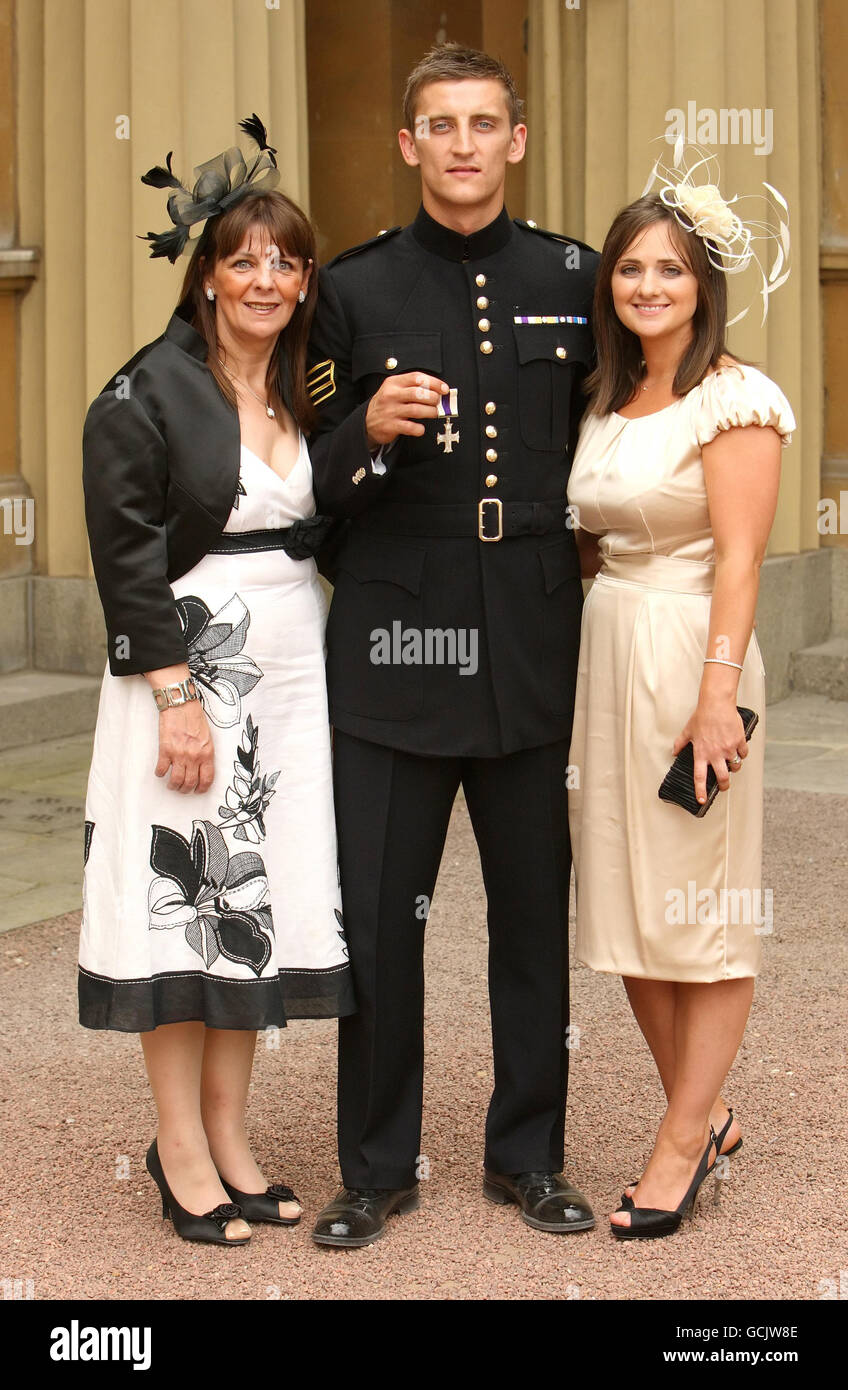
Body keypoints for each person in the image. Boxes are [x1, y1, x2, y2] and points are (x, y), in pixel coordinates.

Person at [305, 43, 598, 1247]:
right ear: (408, 143)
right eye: (441, 124)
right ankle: (374, 1165)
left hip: (528, 634)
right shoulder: (352, 289)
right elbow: (304, 486)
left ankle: (526, 1155)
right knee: (382, 918)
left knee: (532, 916)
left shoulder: (574, 276)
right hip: (391, 642)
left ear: (514, 140)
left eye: (484, 123)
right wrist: (366, 434)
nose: (463, 143)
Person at [79, 117, 354, 1248]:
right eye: (241, 258)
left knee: (252, 907)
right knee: (184, 909)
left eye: (284, 260)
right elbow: (125, 554)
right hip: (188, 676)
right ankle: (178, 1149)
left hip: (290, 674)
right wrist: (177, 696)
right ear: (202, 276)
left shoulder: (303, 386)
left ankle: (233, 1137)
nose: (266, 278)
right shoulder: (145, 391)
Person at [566, 157, 795, 1239]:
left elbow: (740, 564)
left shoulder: (733, 398)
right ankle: (701, 1112)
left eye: (668, 268)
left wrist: (714, 699)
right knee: (625, 905)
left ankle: (678, 1139)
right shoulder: (608, 396)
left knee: (702, 906)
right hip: (606, 652)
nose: (646, 284)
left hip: (692, 653)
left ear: (702, 284)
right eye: (629, 268)